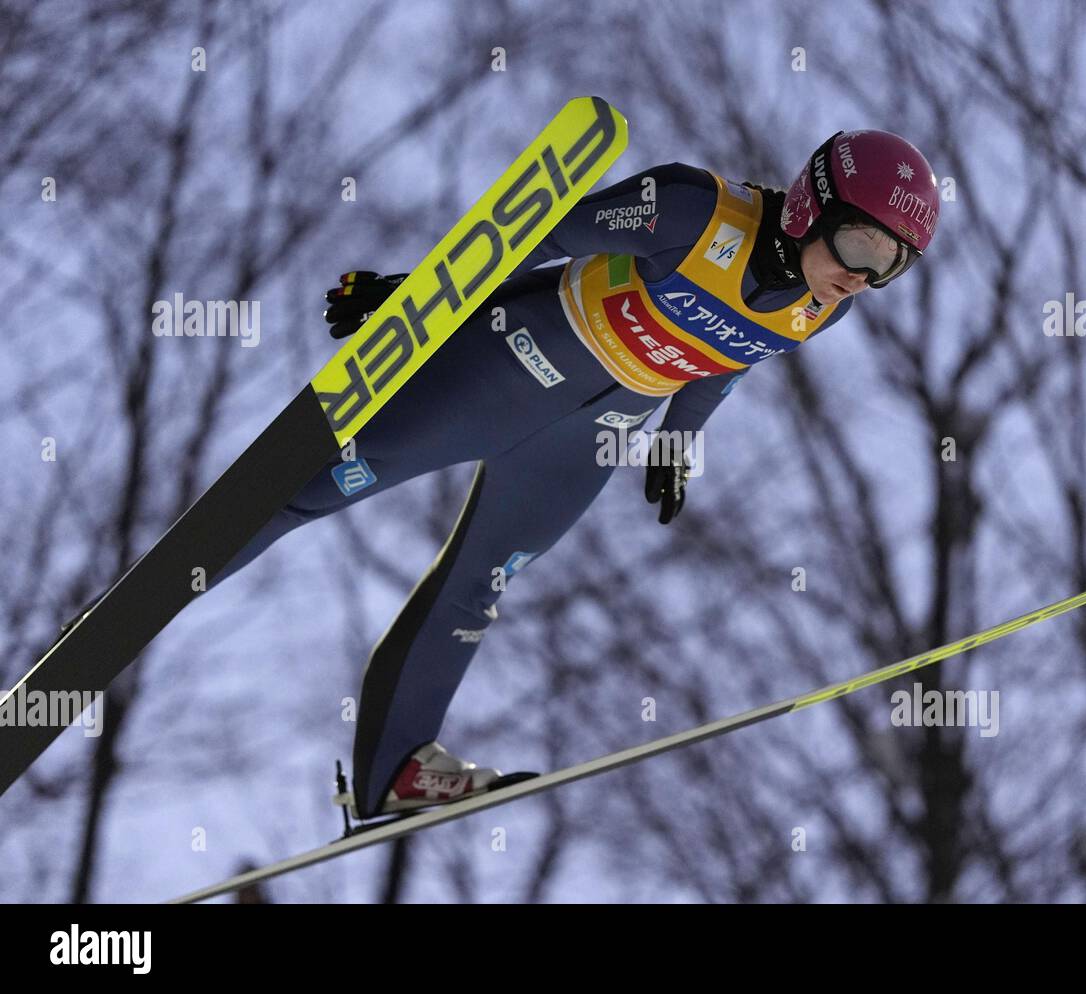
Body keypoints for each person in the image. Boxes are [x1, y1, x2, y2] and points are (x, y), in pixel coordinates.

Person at [215, 129, 941, 819]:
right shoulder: (693, 209)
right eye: (860, 244)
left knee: (481, 586)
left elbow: (728, 360)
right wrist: (416, 298)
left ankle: (394, 775)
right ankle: (147, 595)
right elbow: (538, 232)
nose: (862, 275)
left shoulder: (821, 310)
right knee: (311, 489)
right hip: (509, 365)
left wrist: (677, 442)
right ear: (814, 202)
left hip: (593, 438)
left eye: (892, 264)